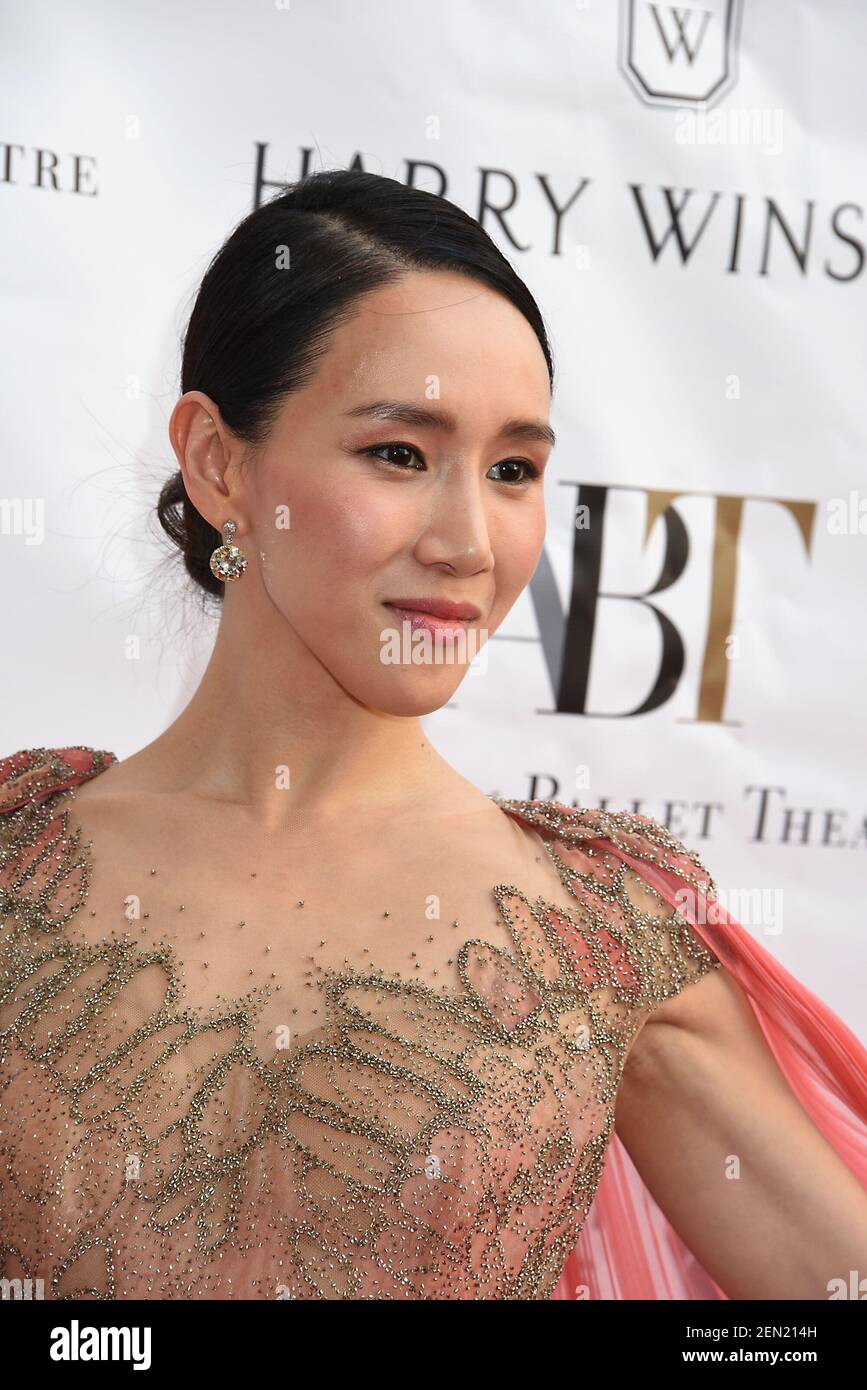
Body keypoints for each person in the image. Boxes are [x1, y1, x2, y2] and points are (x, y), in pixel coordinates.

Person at [1, 170, 866, 1302]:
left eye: (514, 470)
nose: (469, 540)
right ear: (220, 463)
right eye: (400, 454)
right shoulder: (19, 868)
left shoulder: (598, 938)